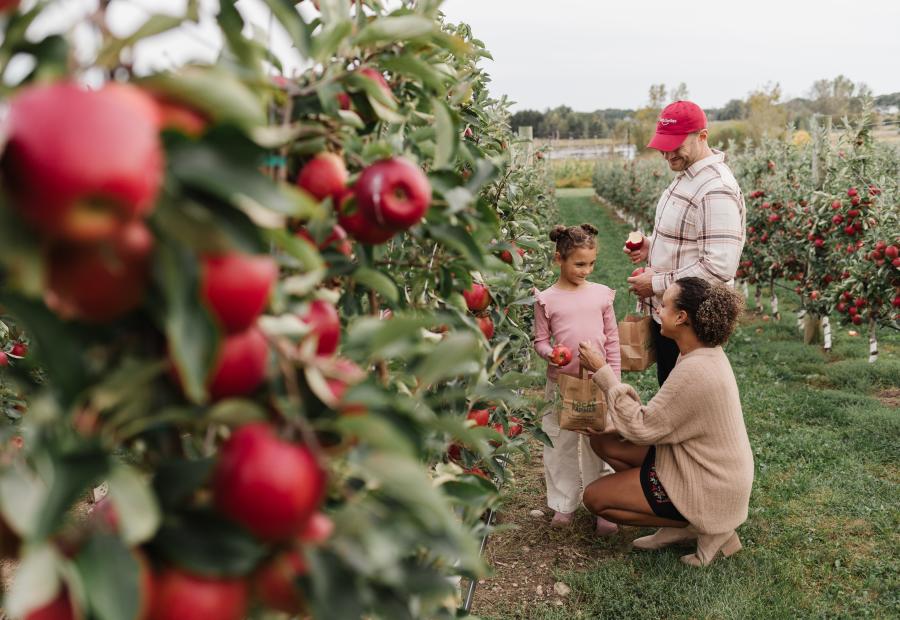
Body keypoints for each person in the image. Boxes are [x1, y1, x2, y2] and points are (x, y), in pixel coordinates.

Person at [576, 277, 753, 566]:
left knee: (596, 498)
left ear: (682, 317)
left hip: (709, 485)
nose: (658, 310)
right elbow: (664, 420)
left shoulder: (696, 371)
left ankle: (698, 524)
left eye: (664, 304)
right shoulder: (701, 355)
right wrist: (613, 423)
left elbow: (642, 428)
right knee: (604, 439)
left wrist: (602, 371)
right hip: (700, 464)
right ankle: (677, 521)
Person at [625, 100, 746, 386]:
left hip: (692, 324)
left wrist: (655, 283)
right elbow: (690, 239)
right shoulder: (687, 177)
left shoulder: (715, 189)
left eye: (676, 144)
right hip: (675, 317)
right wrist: (651, 245)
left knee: (685, 411)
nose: (667, 153)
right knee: (673, 402)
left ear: (702, 137)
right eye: (663, 145)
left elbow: (717, 269)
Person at [533, 223, 621, 536]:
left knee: (600, 441)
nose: (586, 270)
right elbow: (540, 341)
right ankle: (563, 503)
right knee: (560, 443)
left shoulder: (600, 295)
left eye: (591, 264)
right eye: (579, 264)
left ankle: (602, 505)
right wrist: (549, 353)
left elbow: (611, 340)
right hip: (561, 385)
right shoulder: (546, 299)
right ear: (559, 259)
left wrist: (615, 381)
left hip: (599, 382)